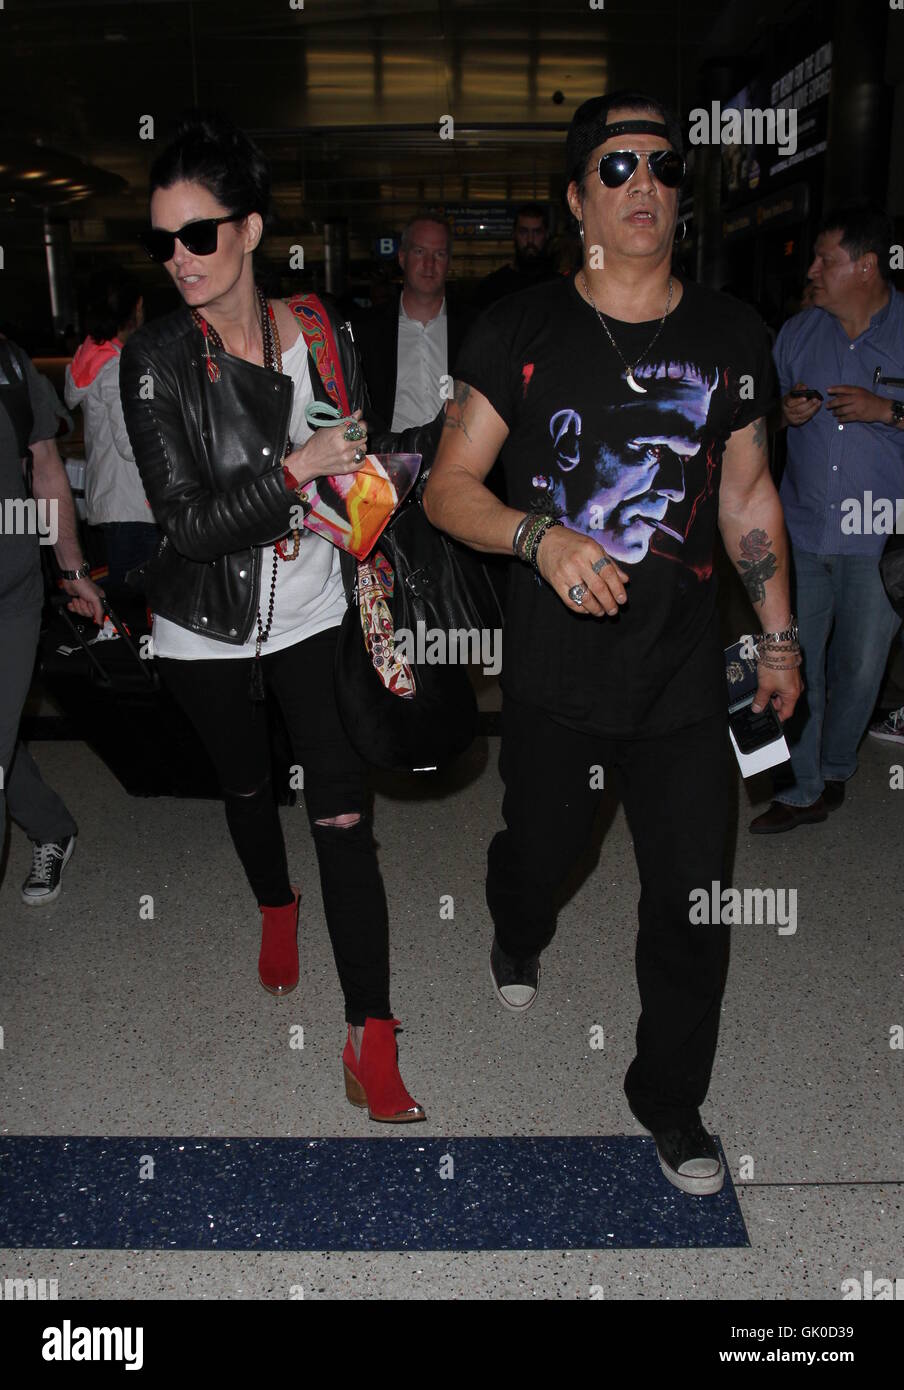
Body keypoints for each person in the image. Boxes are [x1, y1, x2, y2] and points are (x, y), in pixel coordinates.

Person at [423, 90, 802, 1195]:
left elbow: (748, 499)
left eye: (664, 166)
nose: (646, 185)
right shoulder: (521, 328)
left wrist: (776, 639)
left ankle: (669, 1099)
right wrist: (536, 536)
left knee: (693, 898)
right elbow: (448, 491)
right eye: (618, 166)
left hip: (686, 679)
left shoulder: (735, 338)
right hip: (556, 679)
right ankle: (515, 920)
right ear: (580, 196)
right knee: (545, 854)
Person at [120, 112, 441, 1123]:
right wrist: (292, 472)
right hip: (202, 626)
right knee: (249, 787)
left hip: (313, 612)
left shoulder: (321, 331)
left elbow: (340, 451)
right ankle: (274, 904)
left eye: (199, 235)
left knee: (344, 818)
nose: (179, 259)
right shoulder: (155, 360)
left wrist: (367, 489)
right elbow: (191, 524)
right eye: (163, 241)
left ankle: (370, 1040)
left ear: (250, 230)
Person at [750, 204, 904, 833]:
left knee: (861, 668)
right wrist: (786, 415)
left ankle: (837, 766)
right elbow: (761, 422)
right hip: (803, 530)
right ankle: (801, 788)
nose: (811, 270)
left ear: (865, 267)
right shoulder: (797, 335)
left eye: (826, 259)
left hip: (881, 538)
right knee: (795, 656)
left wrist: (888, 411)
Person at [0, 333, 104, 913]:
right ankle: (51, 824)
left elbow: (45, 469)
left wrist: (73, 568)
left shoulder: (7, 366)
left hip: (5, 598)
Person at [65, 270, 159, 596]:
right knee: (134, 595)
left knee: (125, 589)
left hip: (112, 499)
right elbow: (131, 443)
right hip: (132, 502)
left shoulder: (90, 358)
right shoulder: (119, 365)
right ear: (136, 308)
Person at [352, 213, 478, 431]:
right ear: (402, 257)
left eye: (439, 254)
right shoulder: (367, 331)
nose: (429, 264)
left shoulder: (474, 329)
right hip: (389, 460)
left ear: (449, 262)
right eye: (420, 252)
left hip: (457, 458)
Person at [475, 204, 559, 310]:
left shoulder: (559, 287)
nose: (530, 240)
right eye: (523, 232)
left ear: (546, 235)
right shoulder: (492, 287)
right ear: (514, 234)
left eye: (537, 232)